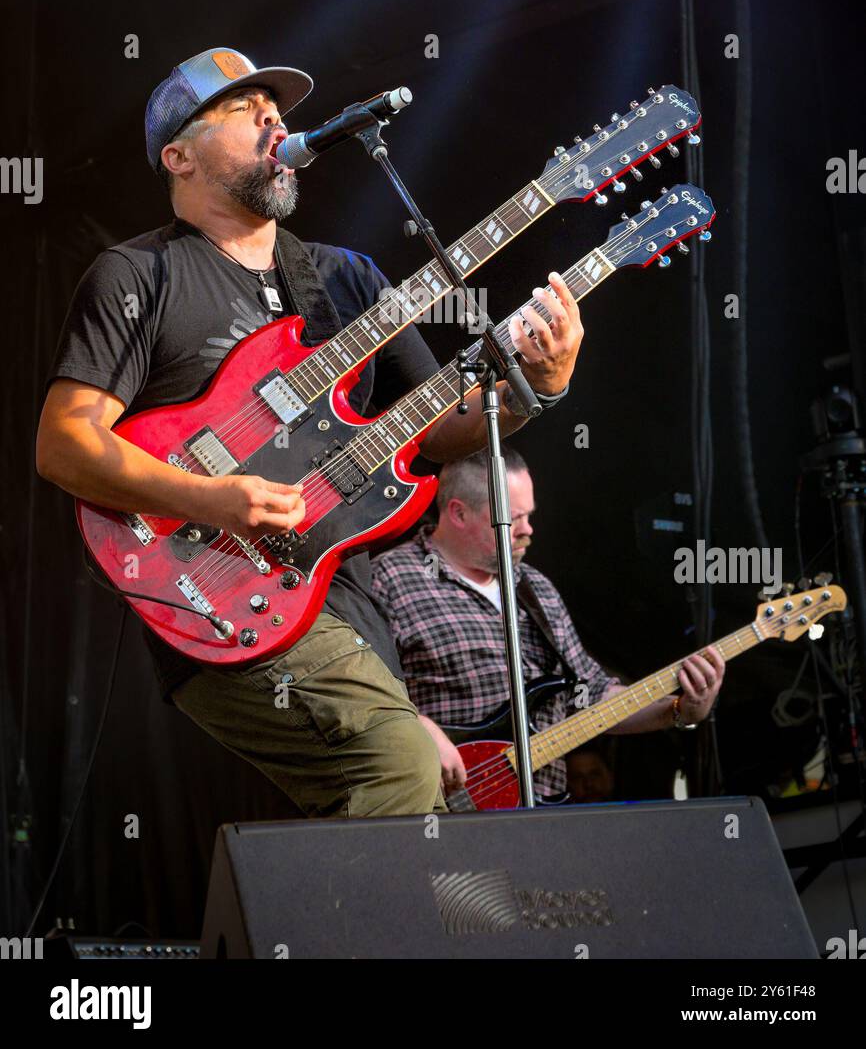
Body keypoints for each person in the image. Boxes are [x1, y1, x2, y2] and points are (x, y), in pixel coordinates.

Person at [35, 46, 584, 820]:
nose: (274, 120)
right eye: (242, 109)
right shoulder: (137, 276)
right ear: (178, 155)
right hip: (212, 589)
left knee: (421, 813)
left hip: (342, 596)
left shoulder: (346, 279)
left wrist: (538, 387)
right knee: (397, 770)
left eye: (278, 111)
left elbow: (434, 433)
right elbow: (62, 445)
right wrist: (210, 497)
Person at [369, 447, 725, 801]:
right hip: (444, 808)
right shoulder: (390, 578)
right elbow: (360, 695)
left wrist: (679, 710)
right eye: (513, 518)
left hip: (541, 811)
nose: (528, 530)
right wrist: (419, 728)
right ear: (458, 513)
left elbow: (591, 696)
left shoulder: (535, 588)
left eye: (530, 515)